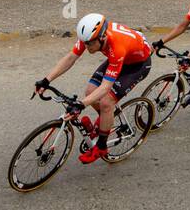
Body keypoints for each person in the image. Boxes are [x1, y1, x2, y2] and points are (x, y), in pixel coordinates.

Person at [37, 13, 153, 164]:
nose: (86, 47)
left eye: (90, 44)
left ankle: (101, 146)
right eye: (85, 43)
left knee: (106, 102)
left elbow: (106, 87)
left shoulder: (116, 47)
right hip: (124, 55)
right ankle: (104, 121)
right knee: (90, 92)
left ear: (102, 37)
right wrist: (46, 80)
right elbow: (71, 57)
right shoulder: (90, 36)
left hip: (137, 64)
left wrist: (81, 105)